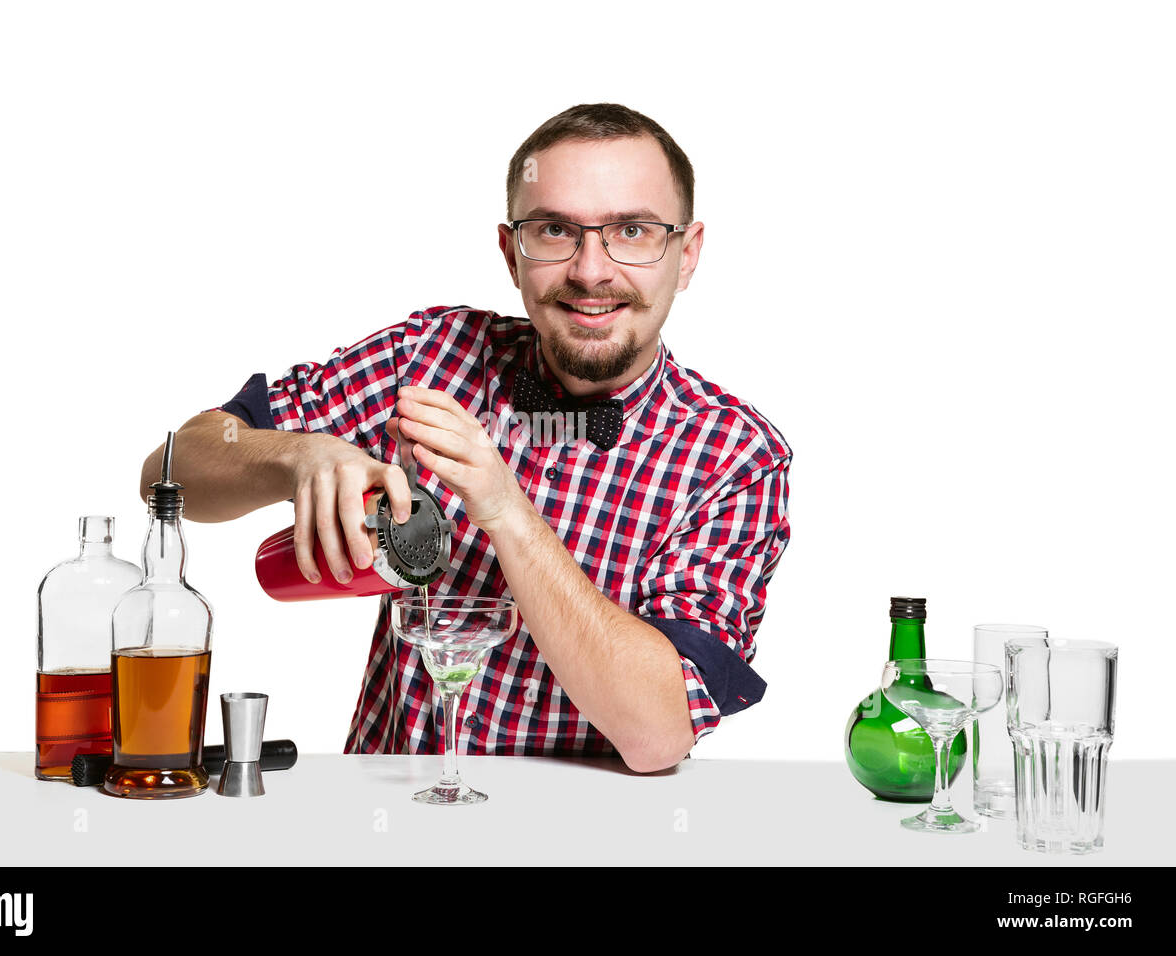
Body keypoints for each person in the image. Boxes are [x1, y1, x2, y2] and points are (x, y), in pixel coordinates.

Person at [143, 103, 792, 773]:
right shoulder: (430, 355)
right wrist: (296, 453)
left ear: (686, 255)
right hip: (385, 814)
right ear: (511, 253)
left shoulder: (738, 457)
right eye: (555, 230)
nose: (591, 270)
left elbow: (658, 734)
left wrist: (507, 511)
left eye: (632, 230)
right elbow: (170, 469)